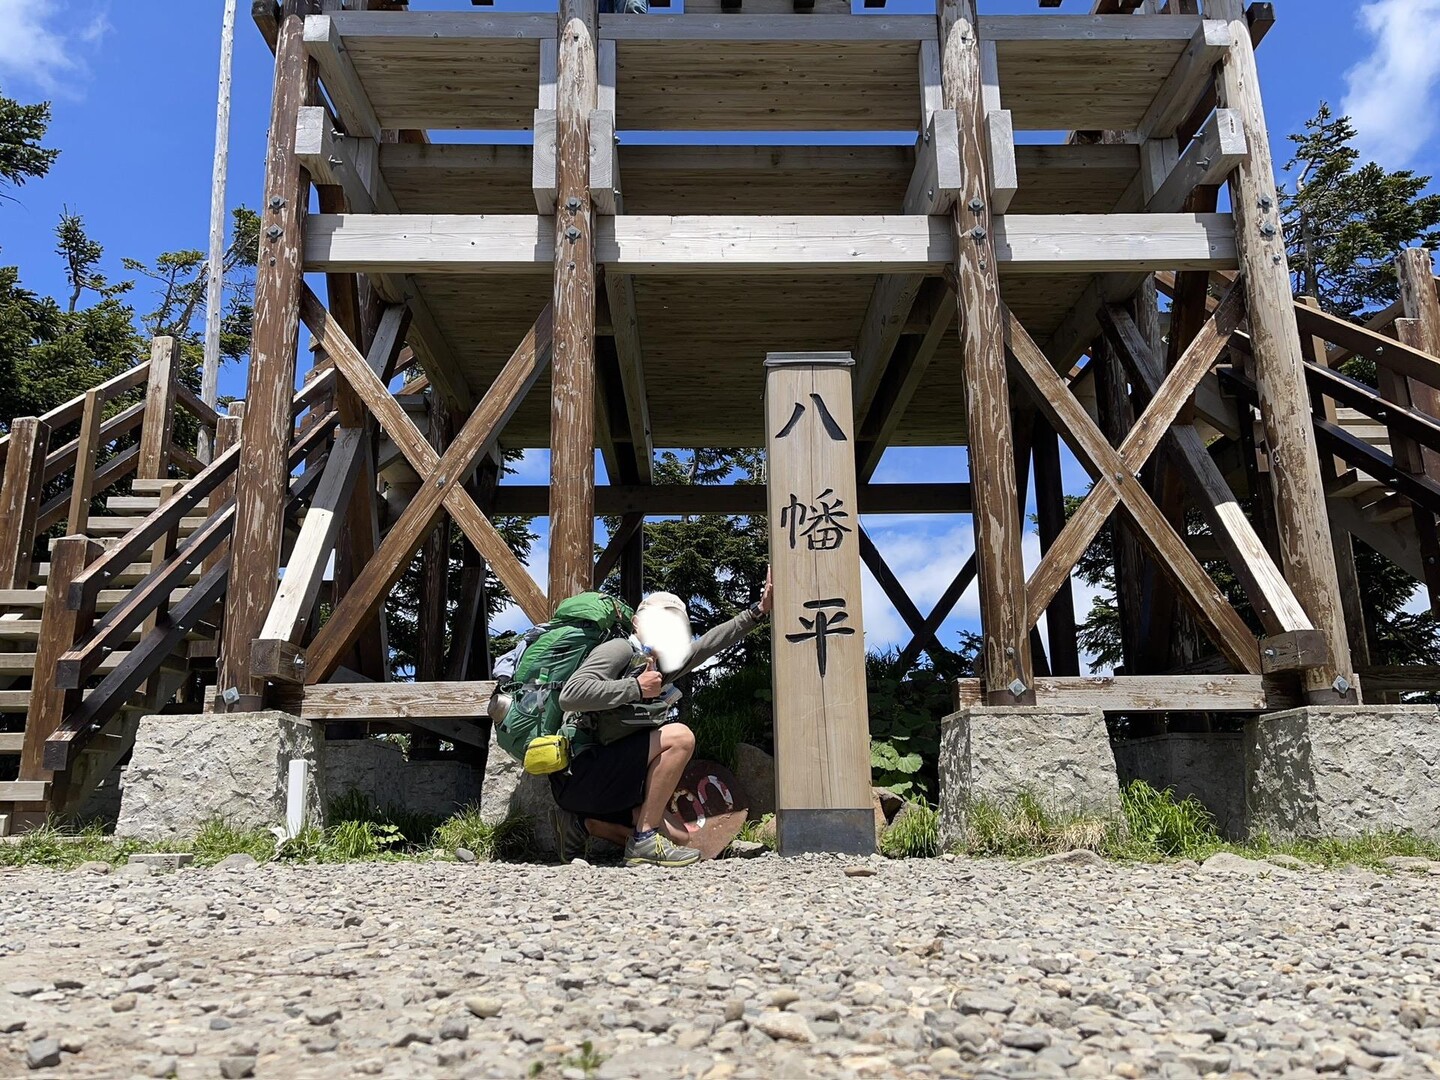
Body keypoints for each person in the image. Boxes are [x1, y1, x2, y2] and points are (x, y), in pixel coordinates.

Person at [551, 573, 772, 867]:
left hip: (613, 777)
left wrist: (758, 611)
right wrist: (636, 688)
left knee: (682, 838)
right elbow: (571, 694)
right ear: (637, 623)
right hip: (582, 773)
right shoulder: (619, 649)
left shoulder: (659, 668)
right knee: (680, 737)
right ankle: (643, 840)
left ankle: (584, 826)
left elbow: (707, 645)